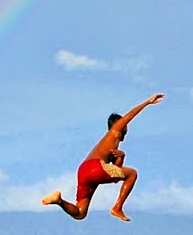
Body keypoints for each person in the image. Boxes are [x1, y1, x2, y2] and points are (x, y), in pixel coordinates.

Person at [41, 93, 165, 222]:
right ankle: (117, 207)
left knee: (80, 213)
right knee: (132, 173)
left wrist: (121, 156)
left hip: (84, 170)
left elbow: (116, 173)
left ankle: (59, 200)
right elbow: (130, 115)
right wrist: (148, 102)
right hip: (95, 167)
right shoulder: (114, 132)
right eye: (125, 128)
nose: (126, 131)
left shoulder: (110, 146)